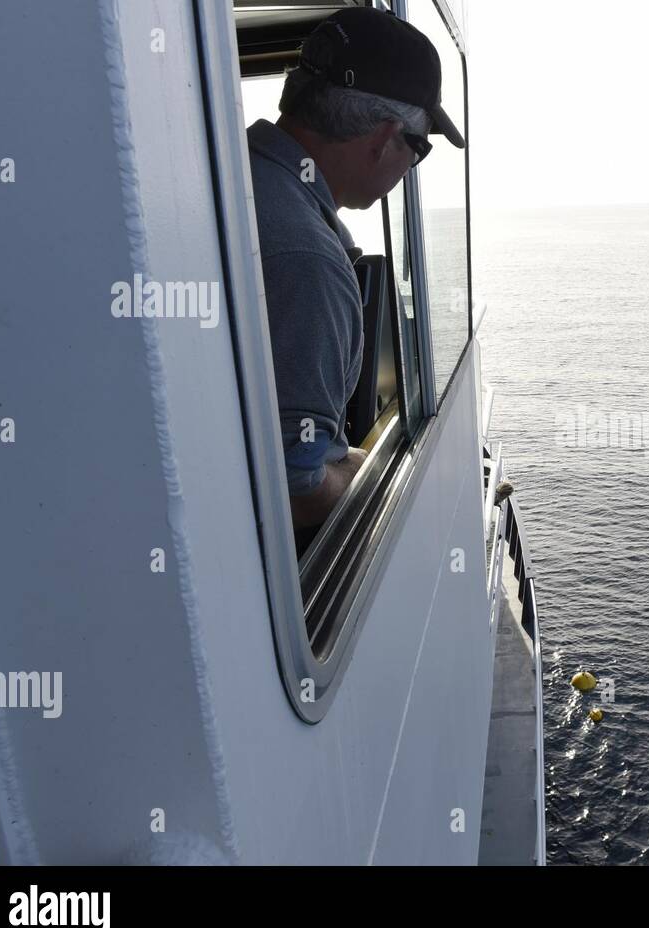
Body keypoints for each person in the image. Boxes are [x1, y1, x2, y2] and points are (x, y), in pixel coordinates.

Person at [245, 7, 464, 549]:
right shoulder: (308, 260)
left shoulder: (237, 173)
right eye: (420, 146)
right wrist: (370, 472)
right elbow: (296, 493)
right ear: (386, 137)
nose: (412, 165)